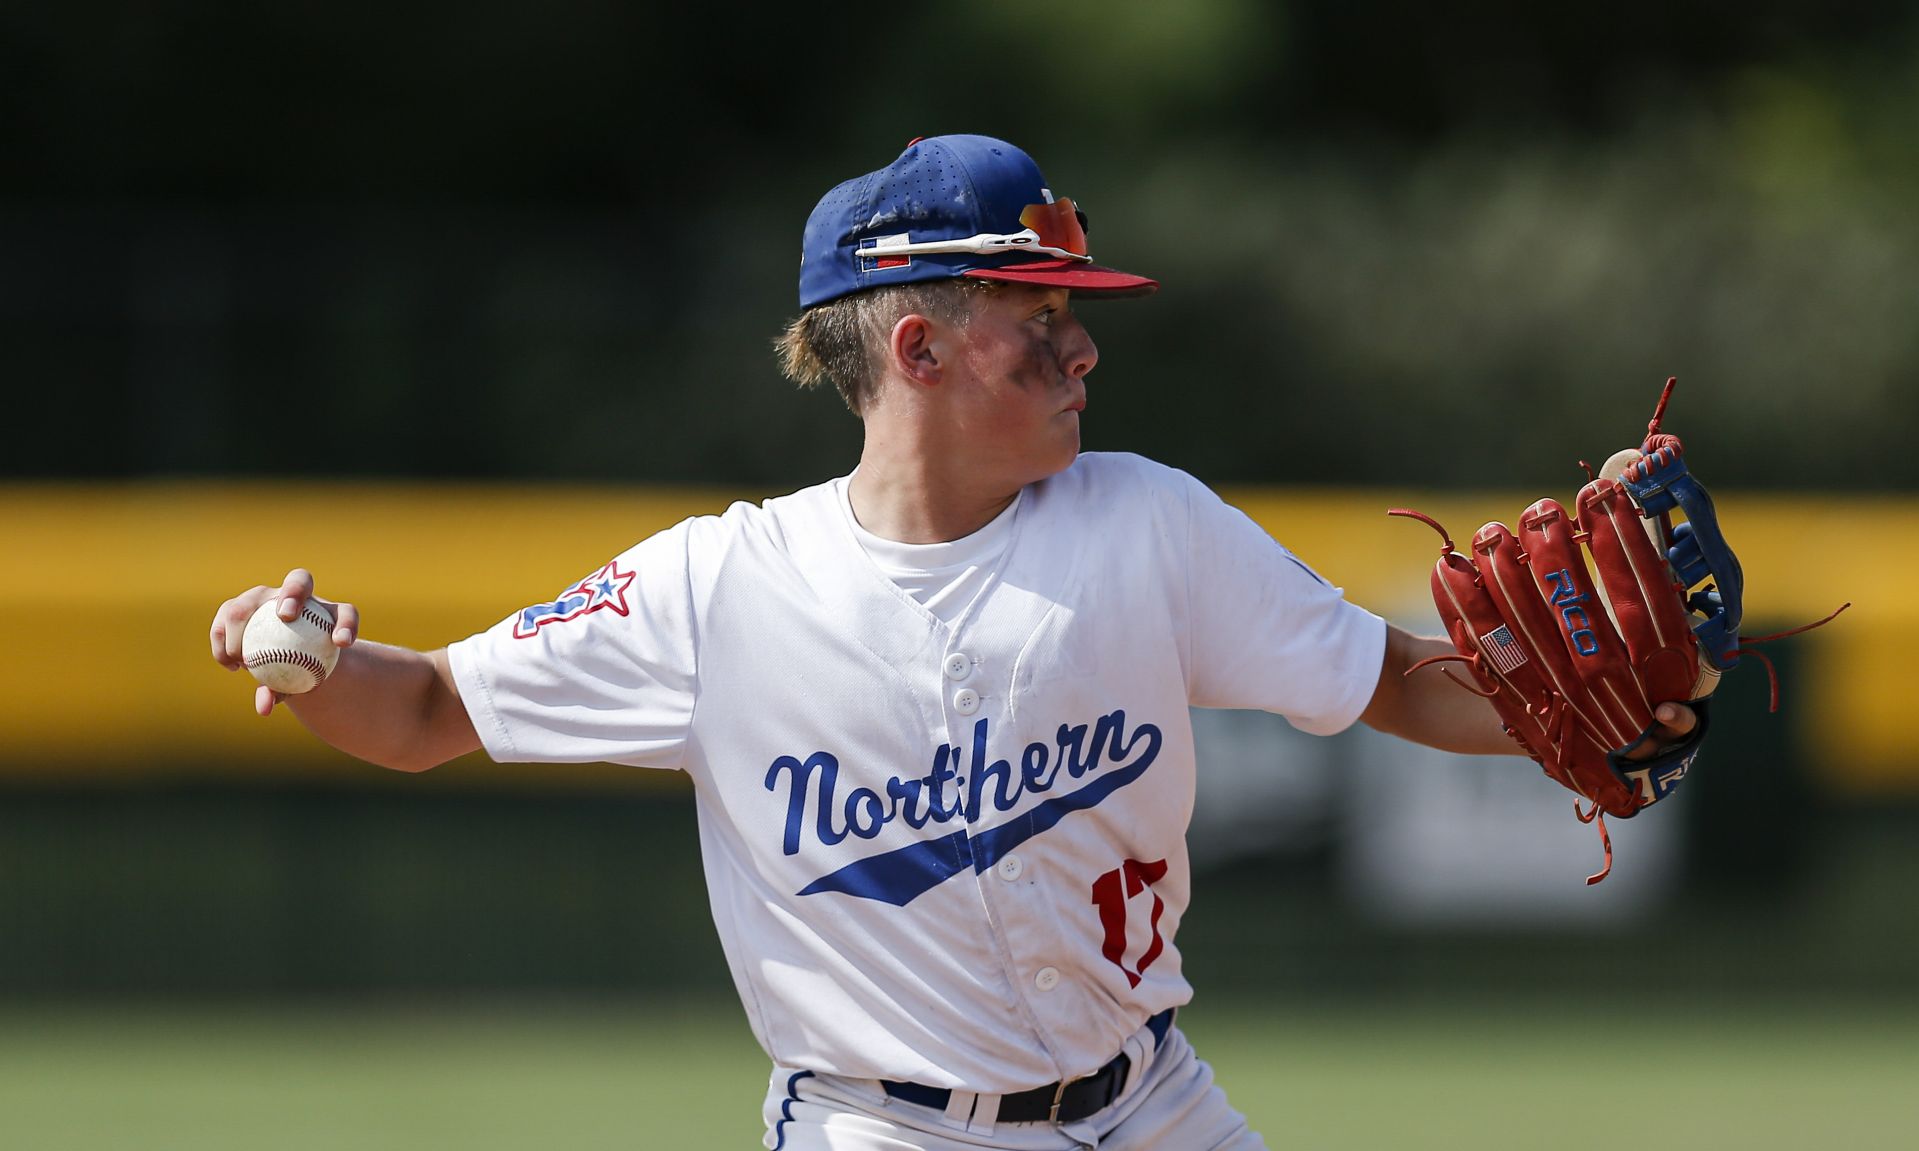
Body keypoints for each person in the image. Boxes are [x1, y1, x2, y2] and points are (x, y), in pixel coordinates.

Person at [209, 134, 1695, 1150]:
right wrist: (323, 663)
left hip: (1153, 1105)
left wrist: (1598, 695)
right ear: (914, 348)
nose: (1083, 346)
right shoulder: (722, 589)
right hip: (884, 1124)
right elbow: (420, 715)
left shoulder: (1147, 524)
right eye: (1037, 314)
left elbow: (1391, 685)